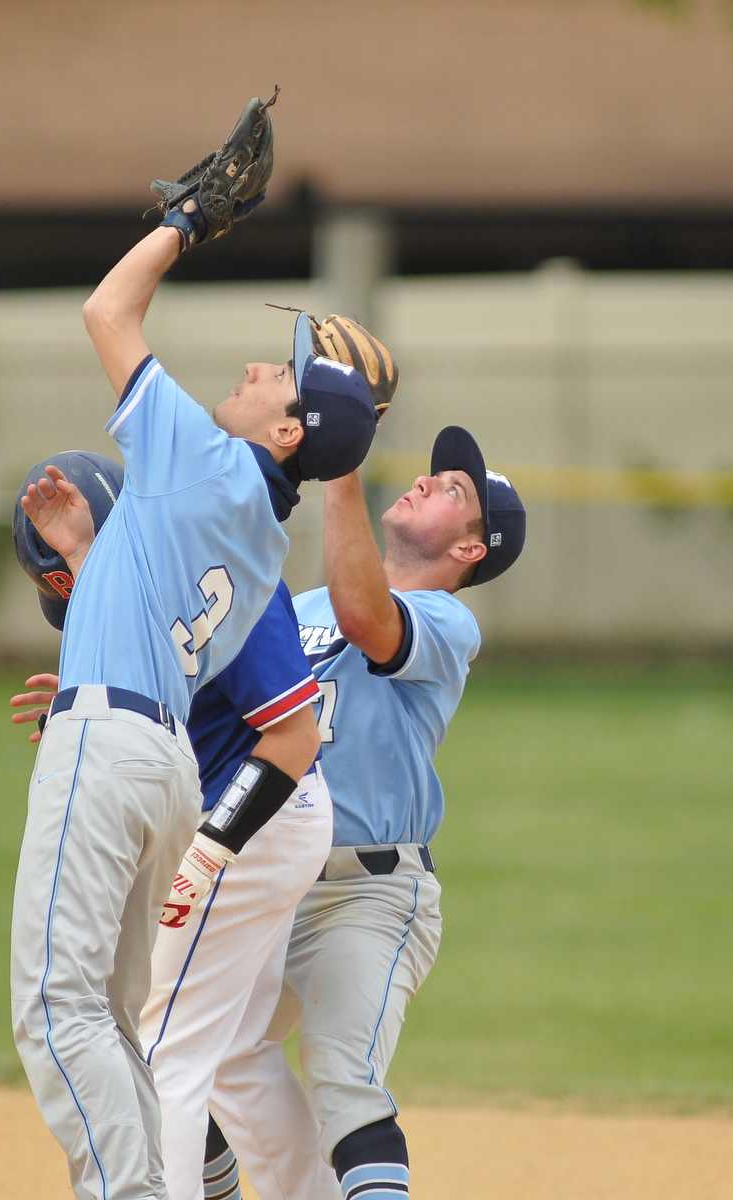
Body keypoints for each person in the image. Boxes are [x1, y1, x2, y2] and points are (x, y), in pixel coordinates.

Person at [8, 213, 380, 1200]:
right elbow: (155, 611)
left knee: (58, 1009)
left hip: (116, 748)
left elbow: (106, 309)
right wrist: (91, 563)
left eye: (282, 378)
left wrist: (185, 223)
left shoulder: (201, 461)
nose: (261, 366)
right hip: (165, 762)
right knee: (118, 1020)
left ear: (288, 431)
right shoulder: (259, 535)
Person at [204, 426, 526, 1200]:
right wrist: (101, 707)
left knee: (344, 1082)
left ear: (470, 552)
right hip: (265, 882)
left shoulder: (447, 624)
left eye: (455, 491)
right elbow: (213, 706)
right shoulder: (300, 605)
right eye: (435, 474)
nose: (424, 482)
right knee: (189, 1054)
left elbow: (366, 620)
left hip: (364, 895)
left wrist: (340, 467)